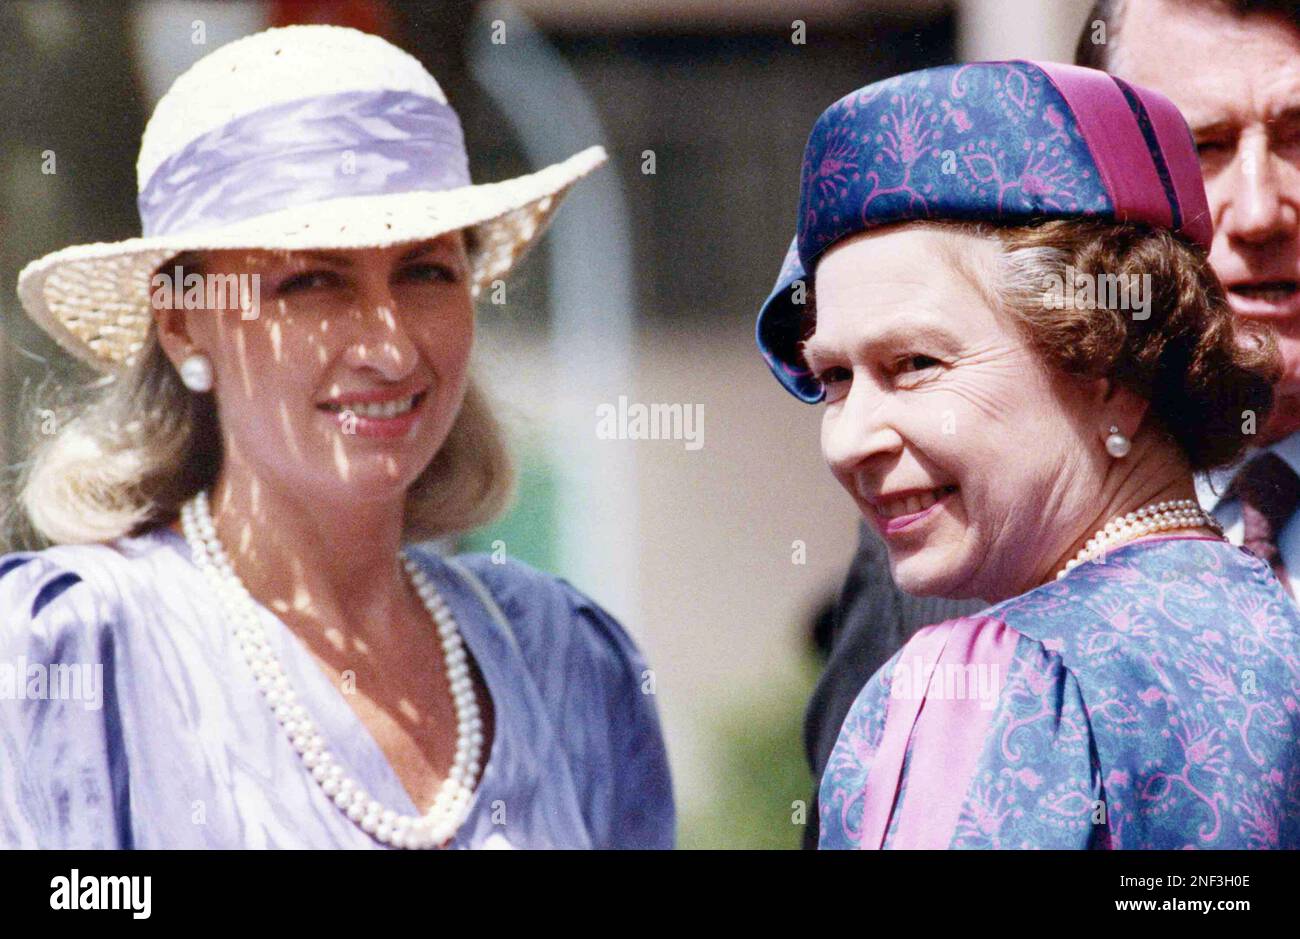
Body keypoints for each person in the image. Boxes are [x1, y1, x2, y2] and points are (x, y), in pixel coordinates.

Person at [0, 24, 673, 850]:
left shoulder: (565, 657)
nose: (389, 348)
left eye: (426, 272)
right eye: (312, 281)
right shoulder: (68, 656)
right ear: (182, 326)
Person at [757, 60, 1300, 848]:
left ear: (1115, 369)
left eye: (915, 364)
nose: (850, 439)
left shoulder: (987, 678)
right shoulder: (1277, 626)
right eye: (834, 379)